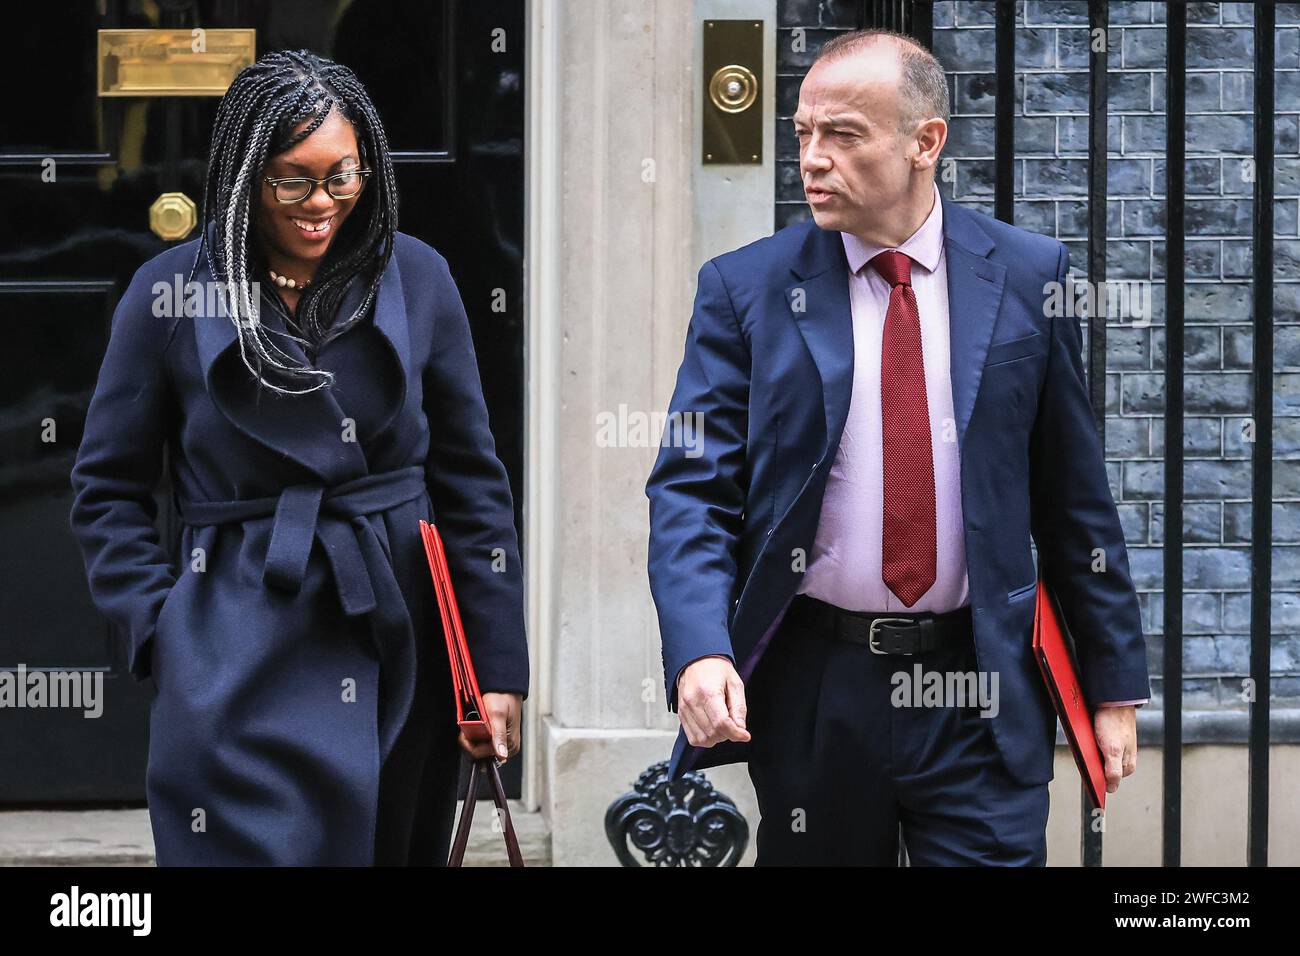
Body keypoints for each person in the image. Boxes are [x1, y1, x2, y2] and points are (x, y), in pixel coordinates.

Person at [645, 29, 1150, 865]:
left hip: (980, 686)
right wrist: (700, 645)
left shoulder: (1028, 275)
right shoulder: (746, 289)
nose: (812, 158)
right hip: (819, 687)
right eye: (803, 132)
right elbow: (691, 489)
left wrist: (1113, 684)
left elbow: (1074, 496)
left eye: (843, 135)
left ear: (926, 142)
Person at [68, 49, 528, 865]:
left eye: (343, 177)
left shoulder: (418, 278)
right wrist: (165, 629)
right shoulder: (169, 292)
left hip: (397, 636)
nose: (321, 205)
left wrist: (495, 666)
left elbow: (471, 483)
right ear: (244, 175)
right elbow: (107, 488)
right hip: (231, 641)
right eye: (292, 180)